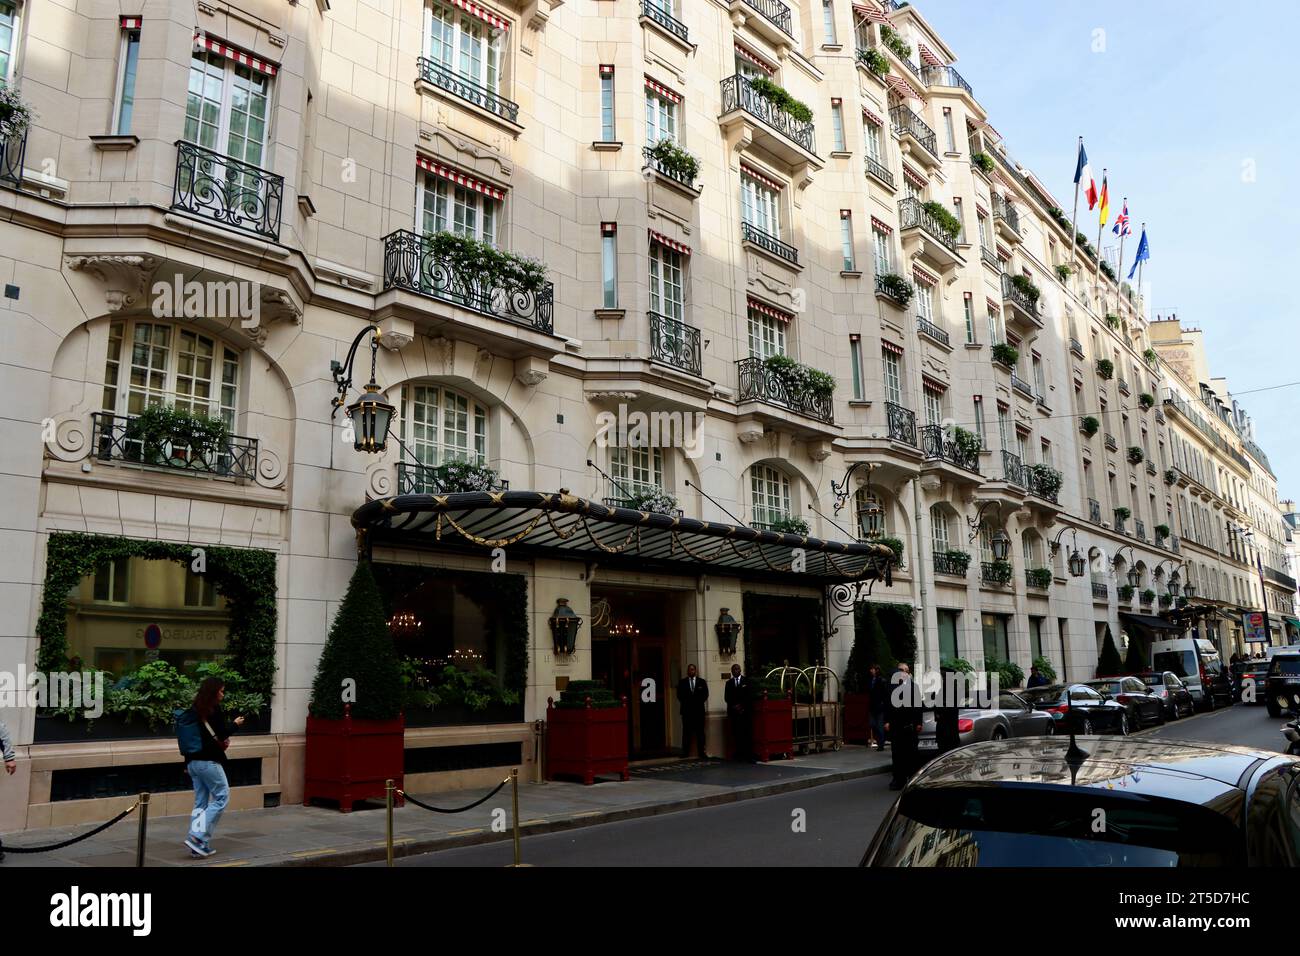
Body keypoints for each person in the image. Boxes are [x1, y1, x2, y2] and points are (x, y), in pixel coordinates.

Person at [183, 676, 244, 858]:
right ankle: (197, 836)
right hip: (208, 761)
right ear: (213, 692)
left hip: (193, 762)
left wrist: (187, 763)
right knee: (222, 797)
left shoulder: (193, 710)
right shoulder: (213, 710)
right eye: (221, 691)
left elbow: (188, 739)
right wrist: (235, 724)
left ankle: (198, 846)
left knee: (200, 803)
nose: (223, 694)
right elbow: (222, 733)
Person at [885, 663, 922, 790]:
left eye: (906, 671)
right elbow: (887, 705)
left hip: (910, 727)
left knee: (911, 754)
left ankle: (912, 779)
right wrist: (887, 721)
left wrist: (918, 723)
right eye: (901, 670)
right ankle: (898, 779)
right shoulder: (891, 687)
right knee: (897, 754)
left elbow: (918, 707)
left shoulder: (913, 687)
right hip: (896, 727)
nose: (903, 672)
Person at [676, 664, 709, 759]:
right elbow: (679, 696)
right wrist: (689, 703)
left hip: (699, 712)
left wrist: (696, 703)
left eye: (693, 669)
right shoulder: (682, 682)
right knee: (686, 732)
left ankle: (701, 752)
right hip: (687, 712)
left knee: (700, 733)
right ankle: (685, 752)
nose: (691, 671)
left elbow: (705, 695)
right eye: (690, 670)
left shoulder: (701, 682)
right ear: (687, 671)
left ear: (695, 671)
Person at [723, 663, 751, 761]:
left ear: (740, 670)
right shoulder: (728, 683)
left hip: (744, 712)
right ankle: (738, 754)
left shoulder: (746, 681)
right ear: (732, 671)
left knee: (745, 734)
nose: (736, 671)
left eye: (737, 669)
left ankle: (746, 754)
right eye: (734, 669)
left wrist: (742, 706)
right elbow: (727, 697)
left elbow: (749, 696)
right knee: (735, 734)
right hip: (733, 713)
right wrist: (734, 706)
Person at [866, 664, 888, 751]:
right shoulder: (871, 680)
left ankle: (881, 744)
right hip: (872, 706)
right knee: (872, 724)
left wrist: (883, 704)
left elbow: (884, 694)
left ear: (877, 670)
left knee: (879, 726)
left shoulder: (882, 680)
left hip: (879, 707)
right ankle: (880, 740)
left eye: (872, 669)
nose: (871, 671)